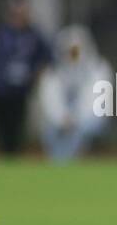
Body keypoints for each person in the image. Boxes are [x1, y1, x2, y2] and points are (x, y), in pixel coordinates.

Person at [0, 0, 52, 156]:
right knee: (0, 126)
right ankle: (5, 155)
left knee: (17, 127)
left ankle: (14, 156)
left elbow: (47, 56)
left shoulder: (34, 35)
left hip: (20, 90)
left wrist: (37, 75)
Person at [36, 25, 112, 162]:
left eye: (76, 50)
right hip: (61, 122)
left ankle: (73, 161)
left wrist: (76, 119)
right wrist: (62, 118)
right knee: (50, 131)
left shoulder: (98, 68)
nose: (73, 55)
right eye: (69, 51)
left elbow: (96, 100)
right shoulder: (54, 72)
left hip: (87, 119)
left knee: (80, 132)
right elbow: (50, 99)